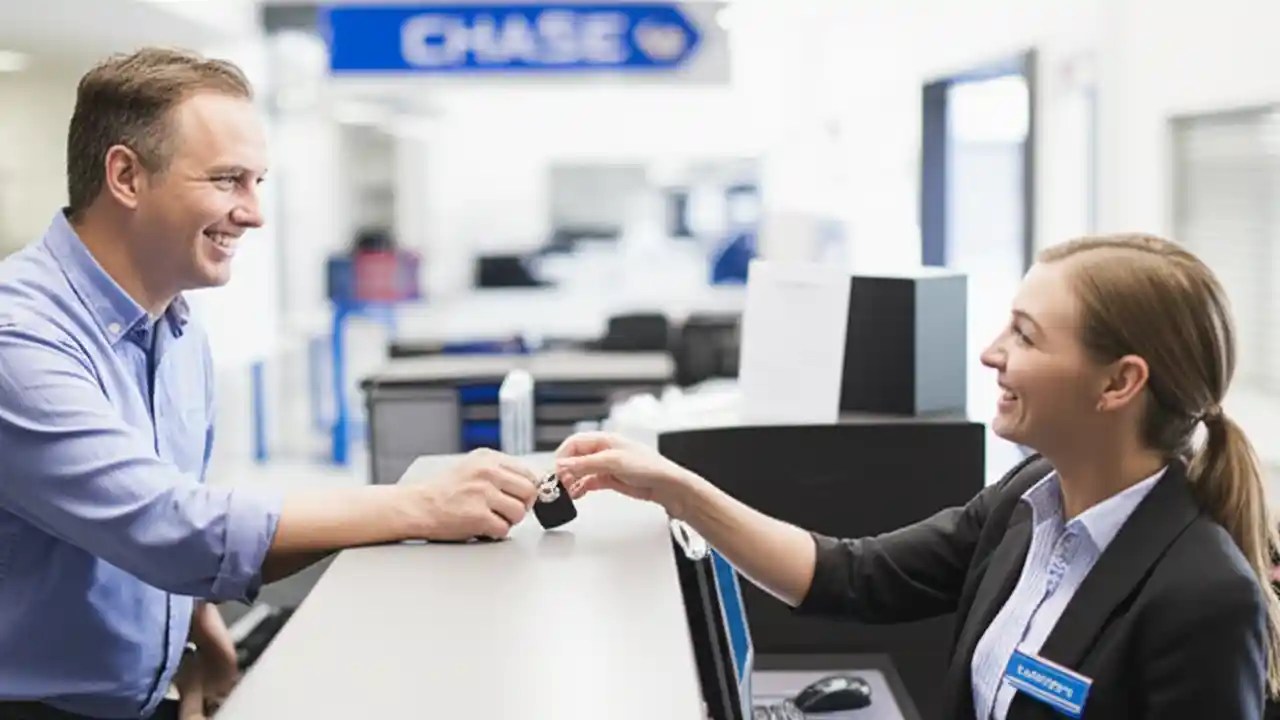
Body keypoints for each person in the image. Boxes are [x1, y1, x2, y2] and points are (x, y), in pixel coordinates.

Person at [0, 48, 541, 720]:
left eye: (257, 182)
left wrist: (198, 638)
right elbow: (168, 529)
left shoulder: (173, 328)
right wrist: (419, 505)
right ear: (126, 176)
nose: (253, 213)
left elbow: (142, 511)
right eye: (227, 180)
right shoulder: (18, 338)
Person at [556, 234, 1280, 719]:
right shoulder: (1026, 504)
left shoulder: (1202, 596)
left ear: (1120, 383)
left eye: (1025, 336)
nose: (992, 353)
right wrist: (670, 485)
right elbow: (850, 575)